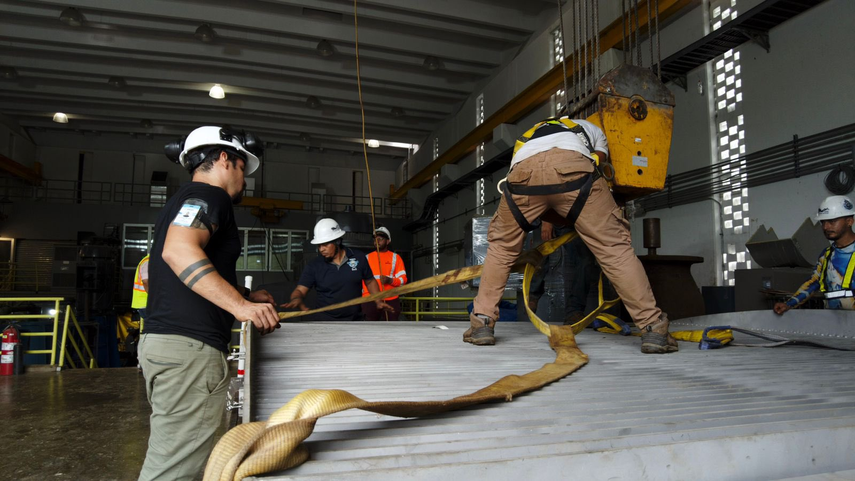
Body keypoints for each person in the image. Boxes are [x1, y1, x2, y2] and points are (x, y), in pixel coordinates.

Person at [138, 126, 281, 481]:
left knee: (169, 456)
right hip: (189, 351)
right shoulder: (210, 196)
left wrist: (243, 295)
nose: (244, 181)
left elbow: (174, 271)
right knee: (172, 472)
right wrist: (240, 307)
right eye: (242, 169)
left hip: (165, 344)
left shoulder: (182, 200)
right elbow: (178, 252)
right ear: (224, 159)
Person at [466, 116, 676, 354]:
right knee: (615, 250)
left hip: (522, 176)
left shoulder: (529, 134)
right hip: (575, 170)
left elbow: (540, 180)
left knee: (501, 250)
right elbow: (598, 161)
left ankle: (481, 324)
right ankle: (652, 327)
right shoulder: (592, 130)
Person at [283, 218, 393, 320]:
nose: (321, 249)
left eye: (325, 244)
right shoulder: (314, 266)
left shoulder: (358, 257)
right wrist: (296, 298)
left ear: (337, 242)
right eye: (319, 245)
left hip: (354, 321)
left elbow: (370, 281)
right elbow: (300, 290)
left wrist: (378, 301)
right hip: (324, 321)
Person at [774, 195, 855, 313]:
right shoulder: (826, 255)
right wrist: (789, 304)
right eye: (823, 222)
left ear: (849, 221)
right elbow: (814, 282)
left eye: (832, 221)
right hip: (833, 320)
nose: (825, 227)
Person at [361, 227, 407, 321]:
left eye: (380, 239)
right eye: (375, 239)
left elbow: (403, 280)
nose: (377, 241)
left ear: (388, 241)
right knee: (369, 327)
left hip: (390, 299)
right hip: (370, 299)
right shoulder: (366, 258)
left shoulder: (395, 258)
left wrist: (390, 280)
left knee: (391, 327)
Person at [131, 254, 150, 323]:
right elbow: (145, 282)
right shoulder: (148, 261)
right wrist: (154, 297)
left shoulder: (149, 261)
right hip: (146, 303)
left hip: (146, 303)